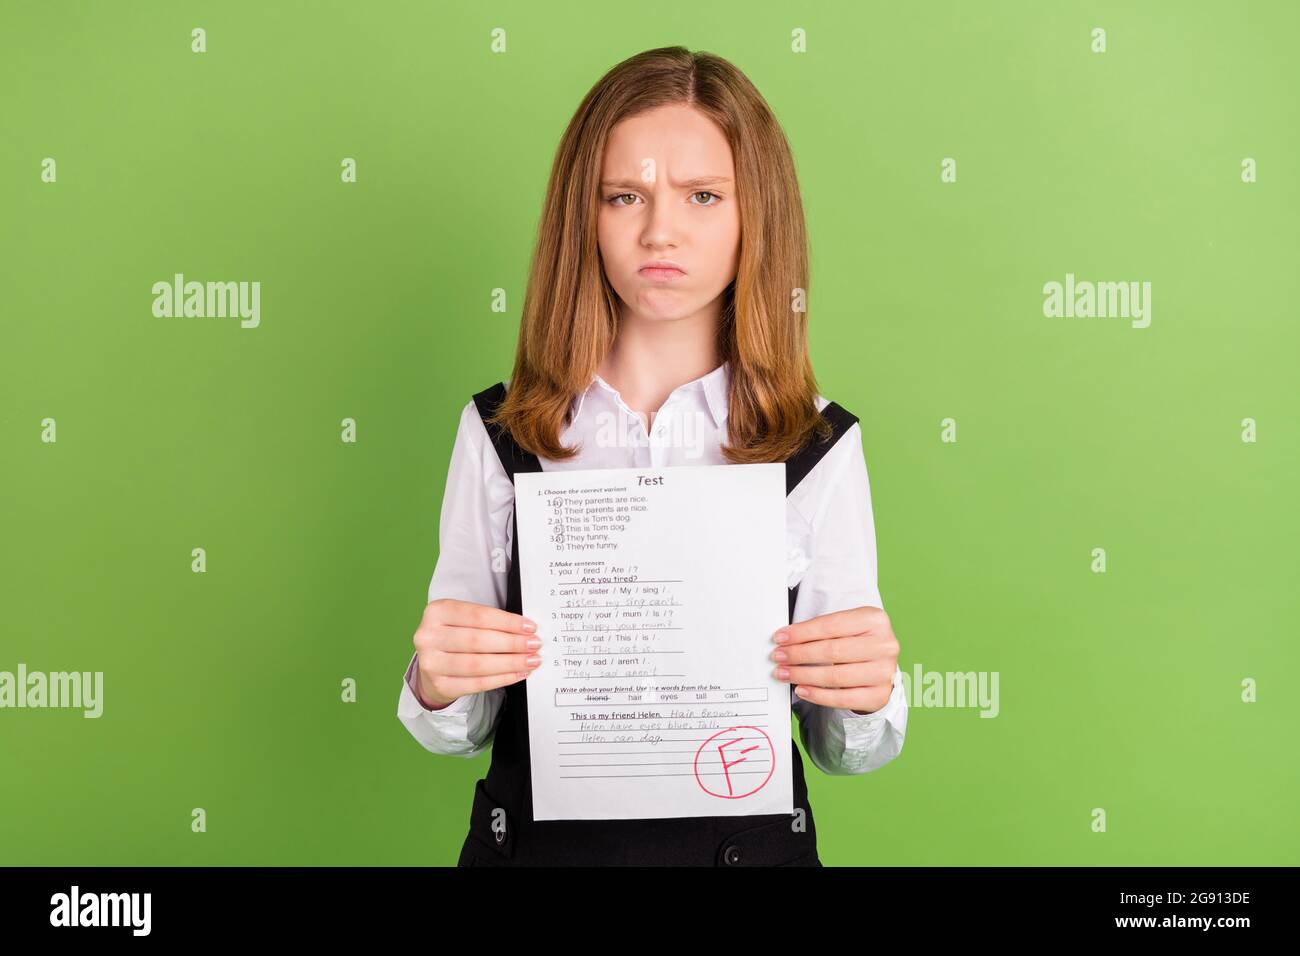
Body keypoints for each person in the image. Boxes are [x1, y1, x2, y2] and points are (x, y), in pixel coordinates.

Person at [397, 46, 907, 866]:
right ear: (584, 216)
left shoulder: (818, 444)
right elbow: (457, 726)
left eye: (703, 195)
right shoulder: (500, 431)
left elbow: (848, 748)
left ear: (755, 217)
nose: (660, 230)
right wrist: (436, 680)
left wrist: (863, 694)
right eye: (624, 196)